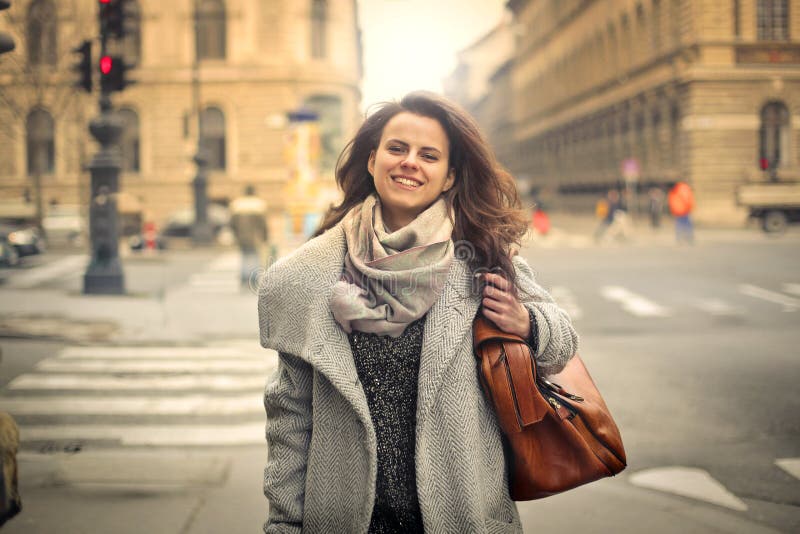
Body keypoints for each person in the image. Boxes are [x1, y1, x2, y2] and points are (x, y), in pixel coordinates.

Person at [258, 92, 578, 533]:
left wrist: (527, 323)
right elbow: (290, 416)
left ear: (449, 177)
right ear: (373, 161)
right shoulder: (312, 273)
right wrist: (284, 523)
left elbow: (563, 343)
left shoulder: (479, 256)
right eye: (397, 149)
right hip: (345, 519)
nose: (410, 162)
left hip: (464, 515)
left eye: (429, 156)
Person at [230, 185, 268, 287]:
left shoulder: (237, 204)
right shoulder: (258, 204)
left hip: (241, 236)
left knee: (244, 255)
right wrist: (265, 236)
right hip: (255, 236)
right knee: (255, 256)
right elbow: (263, 224)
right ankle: (253, 277)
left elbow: (232, 223)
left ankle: (244, 276)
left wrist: (235, 235)